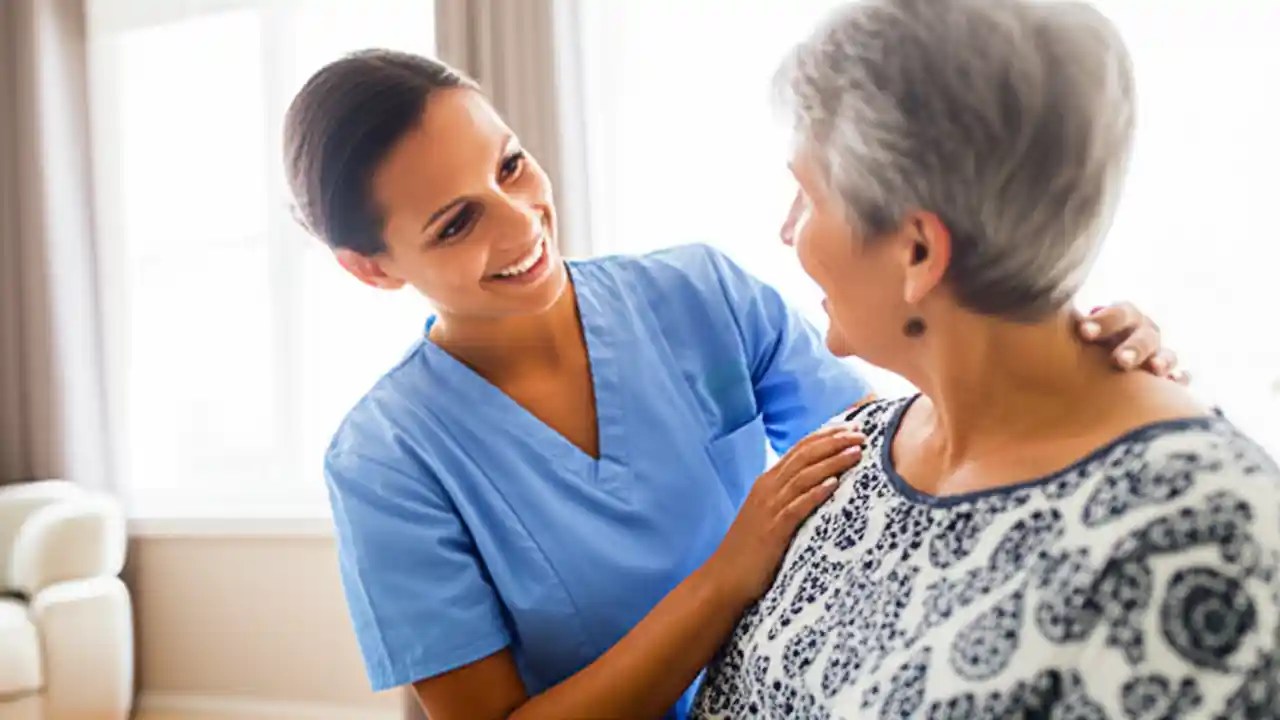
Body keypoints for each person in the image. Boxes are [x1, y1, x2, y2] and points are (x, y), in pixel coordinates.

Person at [282, 48, 1181, 720]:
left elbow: (907, 455)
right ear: (373, 268)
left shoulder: (698, 294)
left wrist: (1061, 364)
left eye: (510, 165)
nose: (521, 225)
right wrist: (726, 578)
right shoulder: (385, 460)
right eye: (456, 223)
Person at [692, 1, 1280, 717]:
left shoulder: (1205, 531)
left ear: (918, 252)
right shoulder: (848, 458)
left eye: (809, 197)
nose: (788, 231)